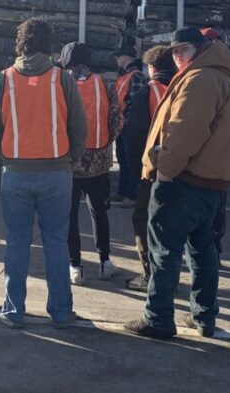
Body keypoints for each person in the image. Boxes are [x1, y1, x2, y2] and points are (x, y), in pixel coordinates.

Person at [124, 27, 230, 340]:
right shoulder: (221, 77)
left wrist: (165, 170)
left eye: (184, 50)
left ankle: (159, 318)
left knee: (164, 250)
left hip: (184, 180)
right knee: (203, 252)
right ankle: (204, 316)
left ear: (200, 48)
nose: (177, 56)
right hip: (210, 182)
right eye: (175, 51)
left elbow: (184, 131)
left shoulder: (200, 79)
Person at [0, 18, 87, 330]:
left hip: (15, 172)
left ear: (21, 43)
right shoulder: (62, 79)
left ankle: (13, 311)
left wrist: (1, 160)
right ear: (48, 44)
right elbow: (79, 125)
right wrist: (72, 158)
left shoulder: (4, 79)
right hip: (57, 173)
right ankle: (62, 312)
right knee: (56, 241)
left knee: (16, 242)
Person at [60, 41, 122, 285]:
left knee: (70, 215)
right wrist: (105, 145)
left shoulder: (60, 84)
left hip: (67, 161)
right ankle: (105, 262)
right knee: (99, 213)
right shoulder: (104, 84)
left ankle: (75, 266)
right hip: (98, 162)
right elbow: (117, 120)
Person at [123, 44, 175, 291]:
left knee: (143, 220)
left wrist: (137, 169)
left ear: (151, 67)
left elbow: (134, 134)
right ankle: (171, 274)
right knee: (173, 225)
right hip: (181, 169)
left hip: (152, 169)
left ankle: (150, 275)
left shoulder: (148, 92)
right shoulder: (184, 88)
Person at [201, 27, 230, 255]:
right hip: (223, 147)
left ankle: (211, 246)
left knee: (211, 203)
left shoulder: (206, 76)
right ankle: (213, 246)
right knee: (216, 202)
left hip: (212, 148)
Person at [112, 43, 145, 206]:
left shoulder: (136, 76)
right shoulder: (124, 75)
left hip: (128, 126)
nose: (117, 59)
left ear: (127, 57)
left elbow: (136, 102)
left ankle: (132, 195)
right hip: (122, 124)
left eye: (119, 56)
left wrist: (127, 122)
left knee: (131, 161)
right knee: (122, 159)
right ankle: (122, 191)